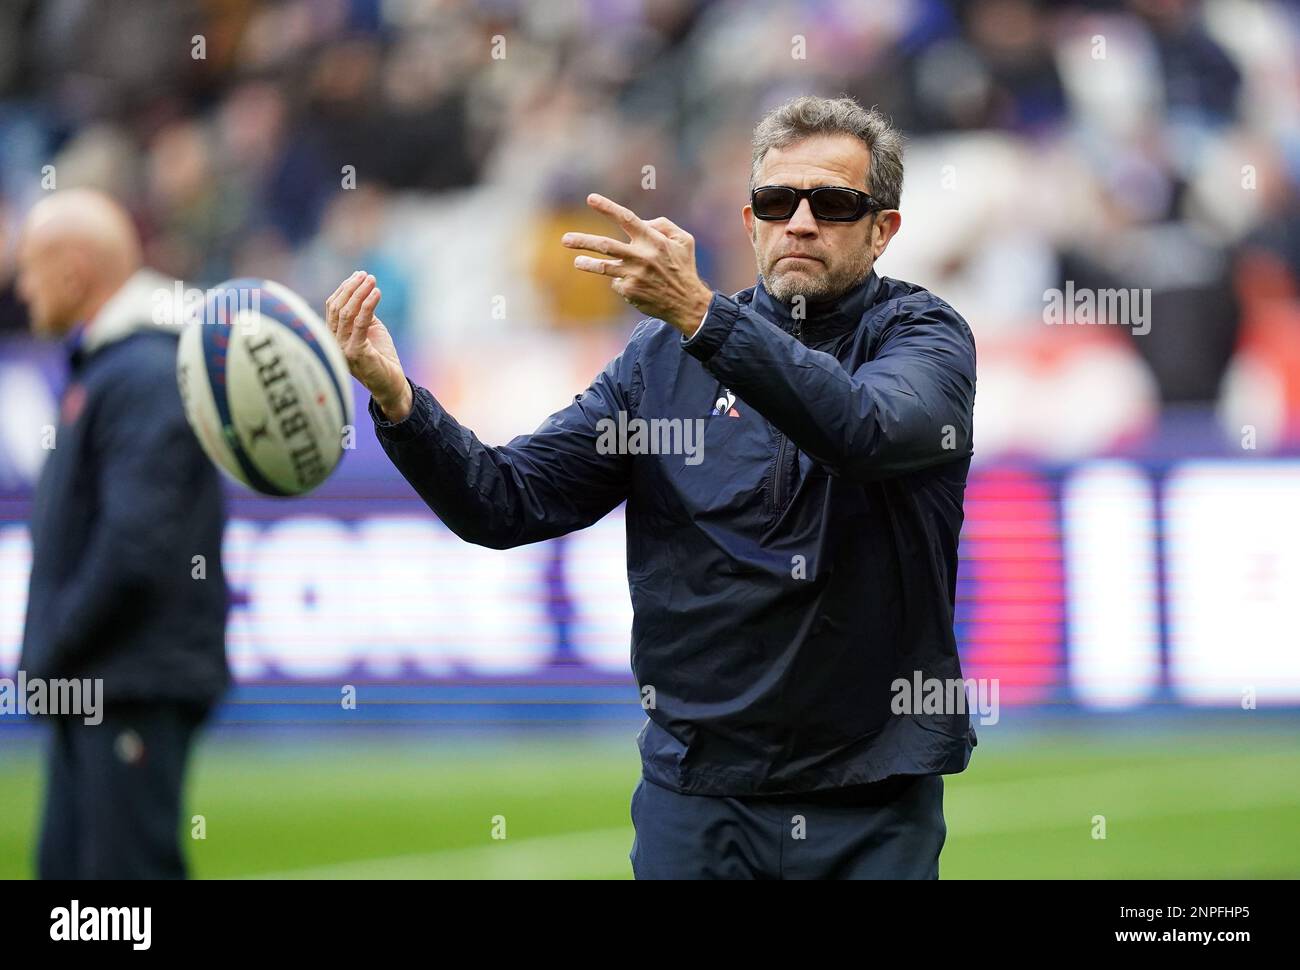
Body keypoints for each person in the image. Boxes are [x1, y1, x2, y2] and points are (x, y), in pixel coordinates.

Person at [327, 95, 977, 879]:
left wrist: (704, 317)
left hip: (869, 794)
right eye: (778, 202)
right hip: (697, 796)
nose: (800, 222)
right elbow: (505, 502)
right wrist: (401, 403)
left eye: (833, 204)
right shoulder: (660, 360)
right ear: (749, 221)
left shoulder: (924, 337)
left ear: (883, 230)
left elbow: (864, 431)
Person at [16, 189, 229, 879]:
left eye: (30, 268)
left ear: (75, 271)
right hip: (101, 680)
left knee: (123, 895)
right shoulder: (116, 366)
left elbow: (135, 546)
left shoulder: (139, 371)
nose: (21, 288)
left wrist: (52, 644)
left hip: (128, 681)